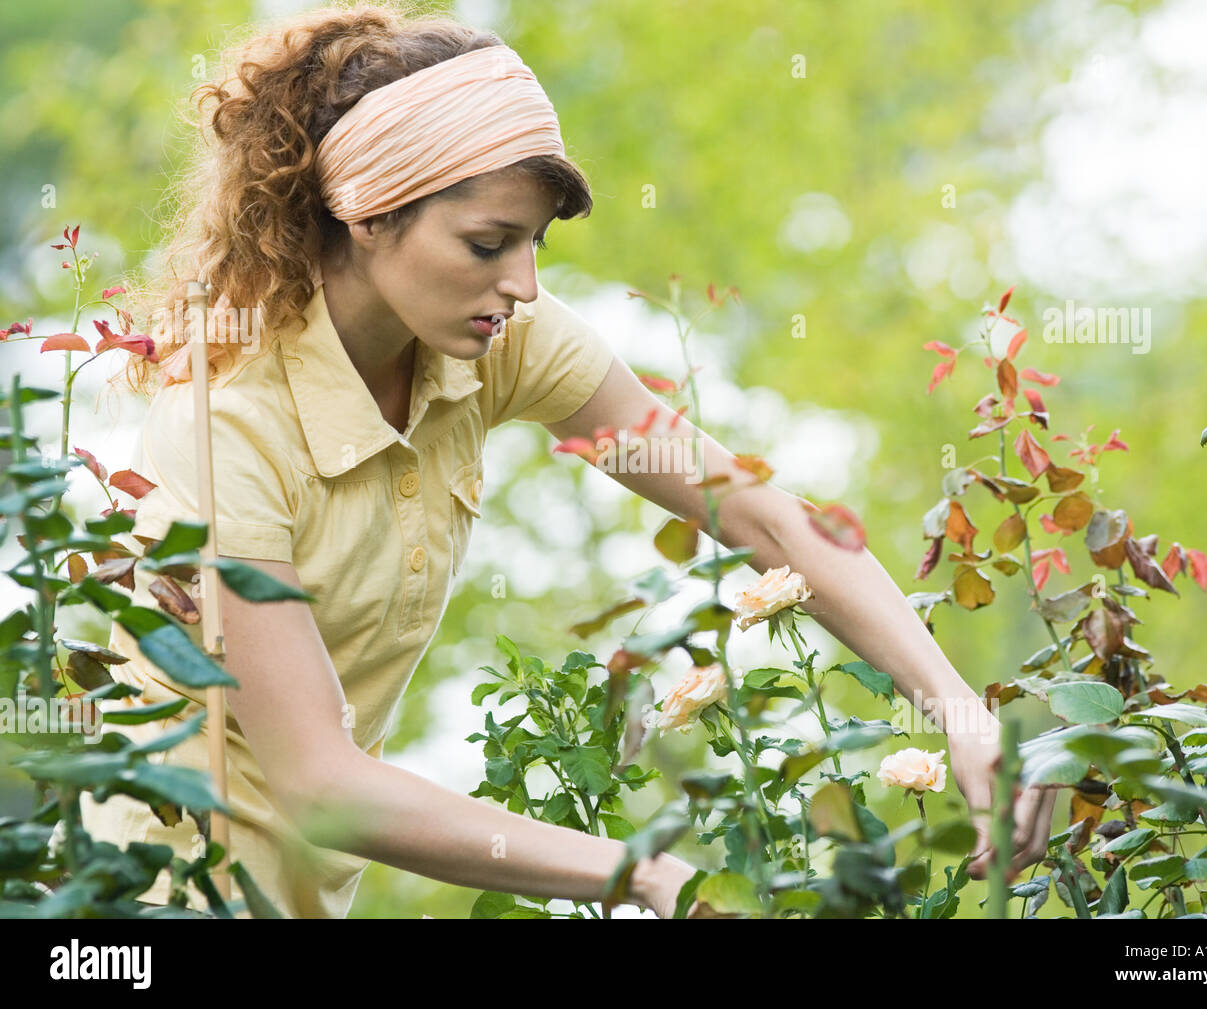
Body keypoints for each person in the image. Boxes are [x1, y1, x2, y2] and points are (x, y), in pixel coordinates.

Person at [81, 3, 1055, 919]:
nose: (523, 283)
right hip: (160, 896)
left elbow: (758, 515)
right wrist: (641, 874)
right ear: (368, 215)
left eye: (534, 243)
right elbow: (320, 784)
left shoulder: (497, 336)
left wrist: (960, 717)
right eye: (487, 242)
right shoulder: (228, 428)